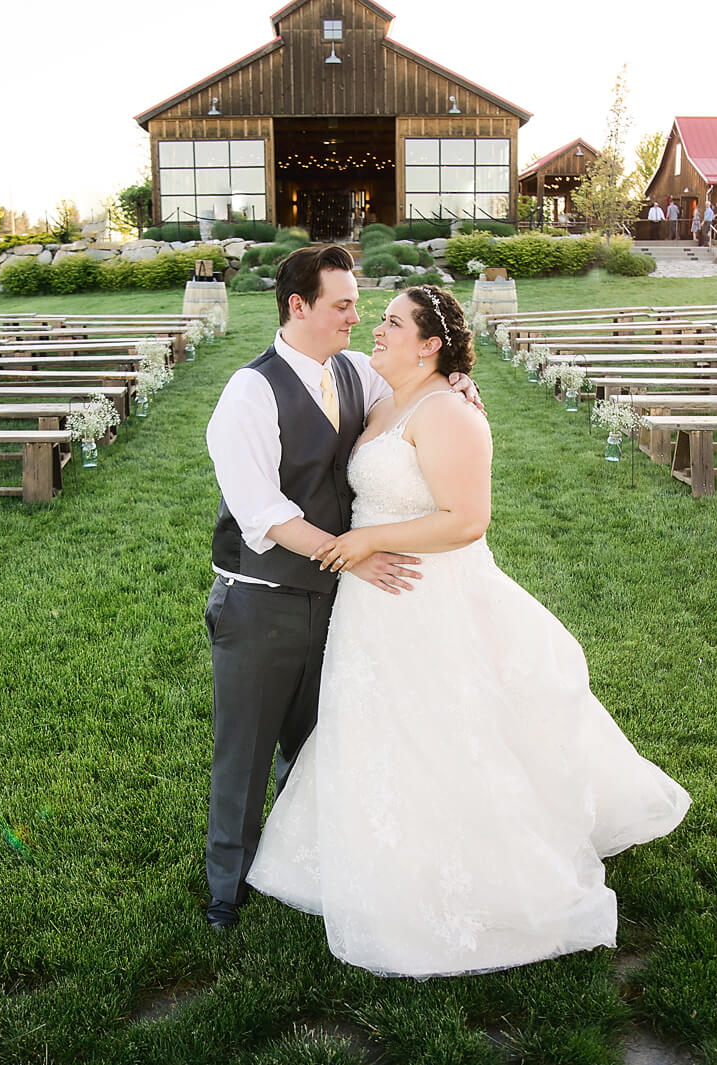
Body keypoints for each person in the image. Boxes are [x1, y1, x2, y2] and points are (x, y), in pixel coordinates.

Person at [246, 287, 691, 978]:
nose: (376, 328)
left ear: (429, 344)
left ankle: (477, 873)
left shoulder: (450, 413)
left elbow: (465, 520)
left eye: (393, 322)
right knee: (377, 728)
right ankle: (379, 856)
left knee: (442, 731)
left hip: (429, 597)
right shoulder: (382, 397)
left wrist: (366, 543)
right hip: (374, 607)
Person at [201, 245, 479, 931]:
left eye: (361, 305)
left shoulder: (356, 372)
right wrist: (350, 556)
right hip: (261, 598)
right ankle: (226, 889)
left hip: (338, 602)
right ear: (298, 307)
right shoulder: (249, 392)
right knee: (247, 749)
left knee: (320, 742)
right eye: (344, 306)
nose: (358, 318)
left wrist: (465, 387)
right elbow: (262, 510)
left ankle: (301, 864)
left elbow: (426, 397)